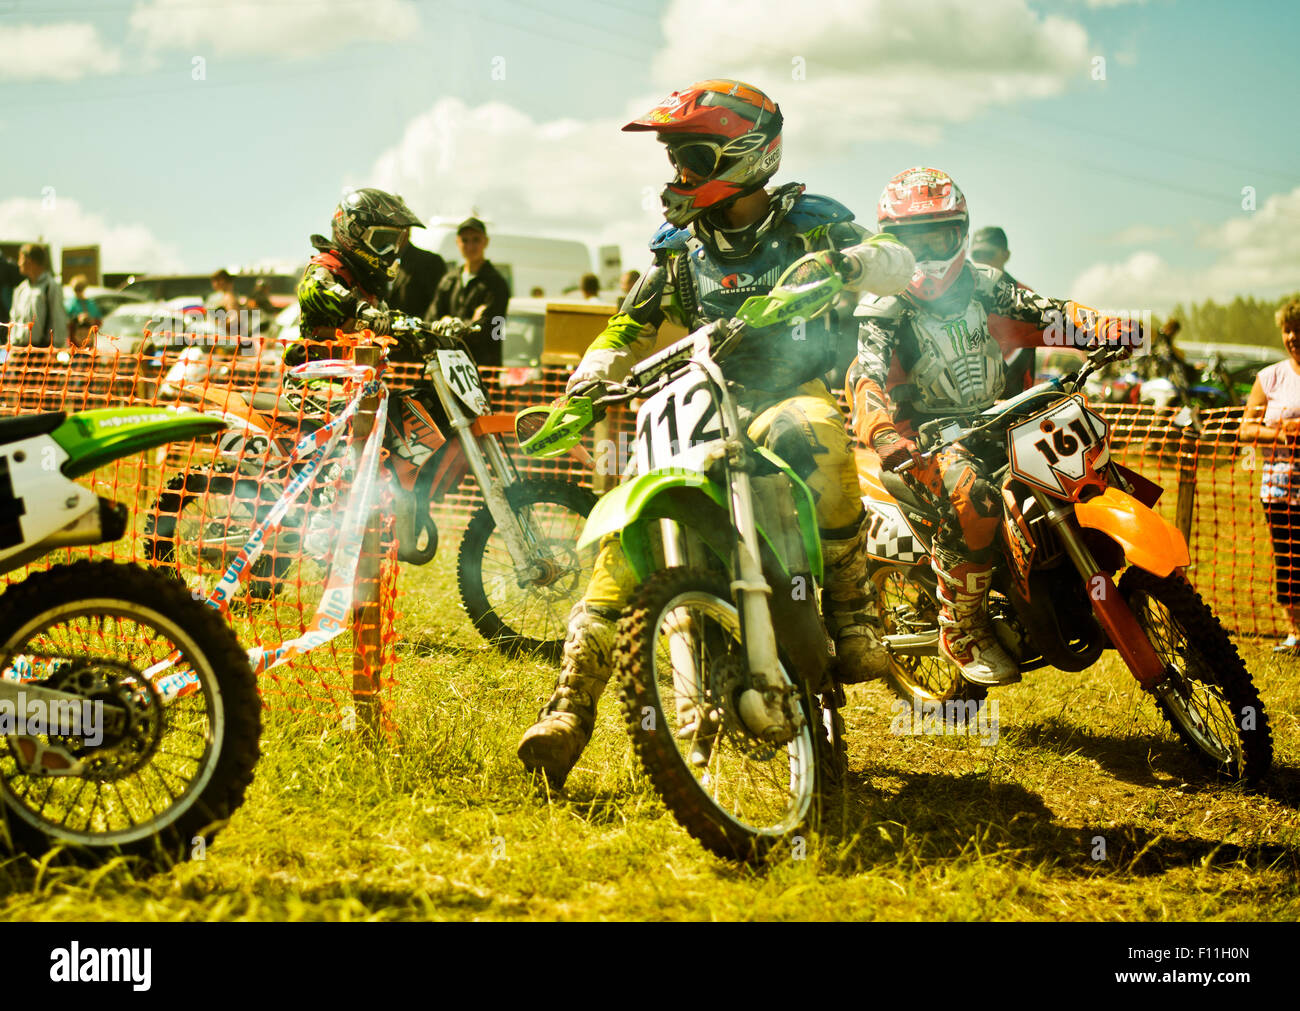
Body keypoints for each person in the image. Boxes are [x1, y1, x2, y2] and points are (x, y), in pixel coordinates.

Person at [516, 78, 916, 788]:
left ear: (747, 156)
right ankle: (568, 708)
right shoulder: (676, 247)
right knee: (624, 537)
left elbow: (898, 260)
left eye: (693, 158)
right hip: (700, 399)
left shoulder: (811, 220)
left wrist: (843, 263)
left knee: (813, 429)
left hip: (783, 393)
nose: (680, 176)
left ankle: (852, 612)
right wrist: (587, 380)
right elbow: (626, 323)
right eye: (675, 161)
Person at [849, 166, 1132, 687]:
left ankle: (1079, 579)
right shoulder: (883, 303)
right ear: (891, 243)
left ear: (961, 230)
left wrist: (1106, 326)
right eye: (913, 240)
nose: (928, 250)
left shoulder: (984, 281)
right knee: (974, 499)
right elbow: (865, 373)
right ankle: (963, 626)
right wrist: (884, 432)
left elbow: (1050, 312)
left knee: (1079, 456)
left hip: (996, 413)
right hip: (925, 437)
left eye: (939, 234)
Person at [289, 187, 429, 366]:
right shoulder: (327, 266)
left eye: (394, 242)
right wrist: (360, 309)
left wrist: (427, 328)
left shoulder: (366, 280)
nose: (390, 251)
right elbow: (314, 289)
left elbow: (389, 317)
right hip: (318, 375)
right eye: (382, 241)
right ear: (353, 231)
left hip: (360, 377)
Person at [1239, 298, 1300, 652]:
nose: (1293, 336)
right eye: (1288, 330)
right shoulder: (1271, 377)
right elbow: (1246, 430)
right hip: (1279, 489)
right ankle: (1295, 633)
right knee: (1289, 560)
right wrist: (1282, 432)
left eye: (1298, 329)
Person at [423, 217, 510, 369]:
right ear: (458, 242)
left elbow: (491, 329)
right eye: (465, 240)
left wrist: (449, 323)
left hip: (482, 366)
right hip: (448, 363)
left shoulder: (496, 283)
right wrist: (467, 324)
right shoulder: (449, 280)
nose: (470, 246)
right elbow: (431, 320)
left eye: (476, 240)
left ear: (486, 242)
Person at [8, 244, 67, 349]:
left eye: (20, 259)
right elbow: (14, 319)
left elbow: (58, 318)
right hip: (20, 350)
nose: (19, 264)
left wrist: (56, 347)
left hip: (42, 350)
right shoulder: (21, 289)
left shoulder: (51, 286)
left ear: (30, 260)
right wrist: (12, 345)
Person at [389, 228, 446, 318]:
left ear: (407, 230)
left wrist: (410, 324)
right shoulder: (376, 258)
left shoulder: (429, 261)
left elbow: (435, 309)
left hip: (413, 328)